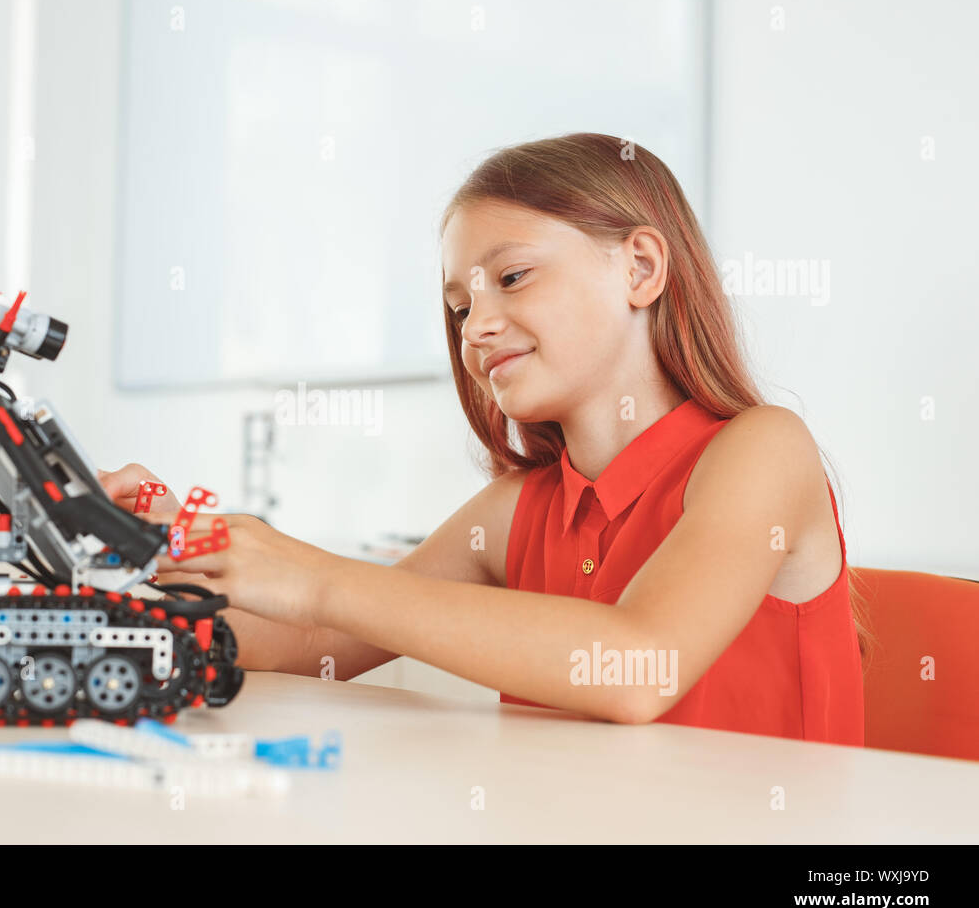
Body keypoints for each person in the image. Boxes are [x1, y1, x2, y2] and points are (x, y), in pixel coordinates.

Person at [99, 133, 866, 745]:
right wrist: (176, 545)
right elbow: (300, 647)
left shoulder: (763, 451)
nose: (478, 326)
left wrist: (313, 573)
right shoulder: (512, 512)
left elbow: (638, 667)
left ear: (639, 267)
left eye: (512, 277)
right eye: (459, 305)